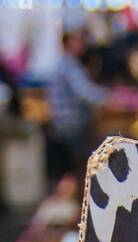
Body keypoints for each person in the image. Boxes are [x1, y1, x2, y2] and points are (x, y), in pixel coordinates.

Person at [46, 29, 108, 182]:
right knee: (86, 168)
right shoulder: (69, 66)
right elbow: (86, 92)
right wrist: (112, 97)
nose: (82, 44)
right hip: (71, 128)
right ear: (69, 42)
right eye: (78, 39)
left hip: (64, 127)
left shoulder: (65, 64)